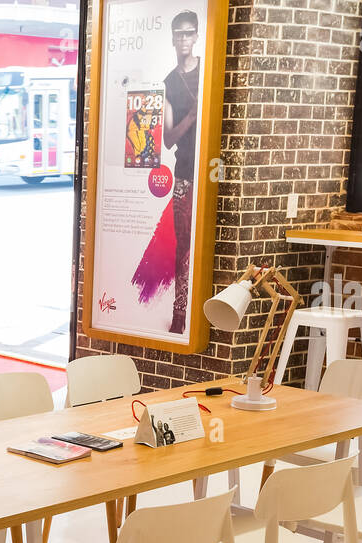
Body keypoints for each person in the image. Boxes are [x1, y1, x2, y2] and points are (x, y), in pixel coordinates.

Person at [161, 10, 201, 336]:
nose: (184, 39)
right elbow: (168, 137)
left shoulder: (207, 72)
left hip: (207, 173)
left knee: (201, 245)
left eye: (189, 33)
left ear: (196, 36)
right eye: (179, 34)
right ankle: (179, 313)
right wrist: (192, 114)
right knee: (182, 244)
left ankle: (197, 311)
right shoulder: (170, 83)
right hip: (184, 173)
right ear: (173, 38)